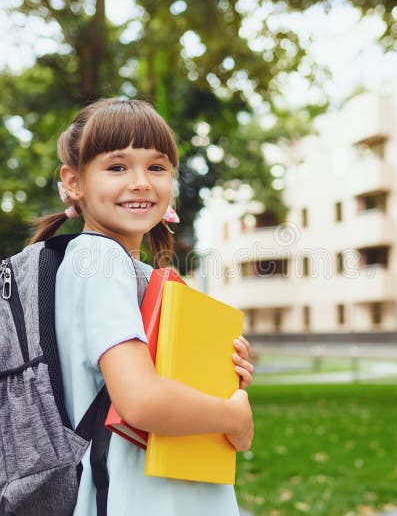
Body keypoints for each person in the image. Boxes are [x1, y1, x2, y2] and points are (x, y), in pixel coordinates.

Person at [30, 98, 255, 516]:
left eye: (156, 167)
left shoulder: (75, 261)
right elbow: (141, 400)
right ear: (74, 181)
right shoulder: (103, 263)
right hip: (141, 498)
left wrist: (223, 377)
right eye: (117, 167)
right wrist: (233, 416)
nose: (140, 182)